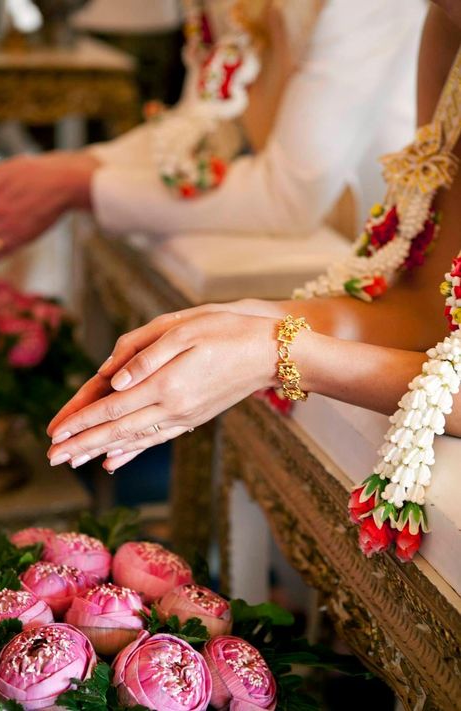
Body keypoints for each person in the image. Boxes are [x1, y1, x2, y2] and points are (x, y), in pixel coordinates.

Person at [46, 3, 461, 478]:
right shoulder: (448, 20)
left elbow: (288, 192)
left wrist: (278, 352)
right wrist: (239, 322)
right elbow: (426, 311)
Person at [0, 0, 426, 265]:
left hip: (369, 244)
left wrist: (75, 184)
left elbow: (290, 200)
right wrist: (67, 169)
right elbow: (200, 122)